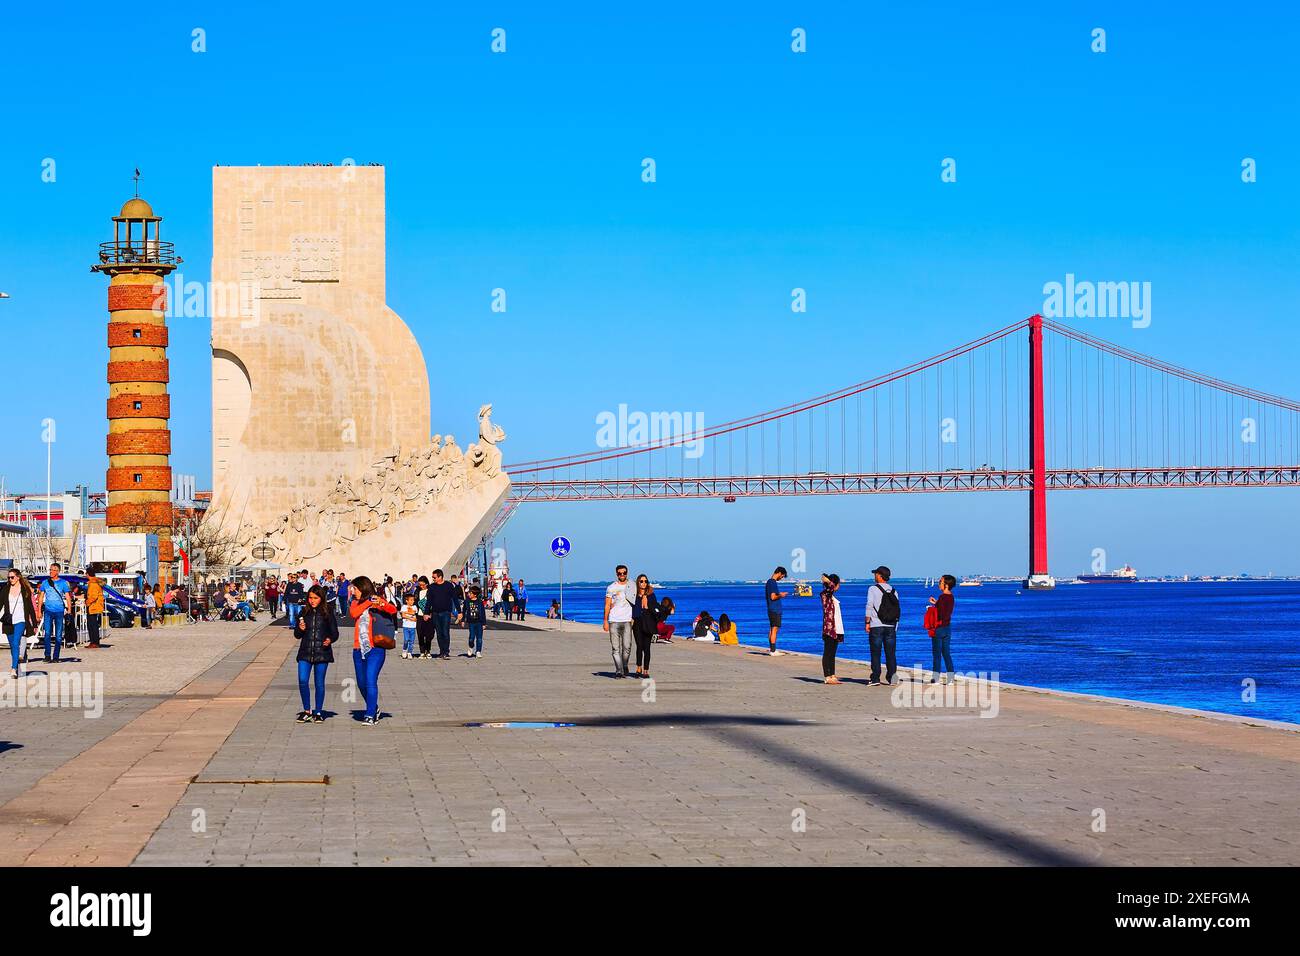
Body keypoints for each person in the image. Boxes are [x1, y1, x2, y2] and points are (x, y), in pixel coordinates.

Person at [349, 575, 396, 725]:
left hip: (376, 648)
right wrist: (367, 603)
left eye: (354, 588)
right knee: (361, 683)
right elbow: (354, 614)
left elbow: (393, 610)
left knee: (370, 680)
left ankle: (370, 714)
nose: (352, 590)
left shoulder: (377, 600)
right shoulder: (355, 602)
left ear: (362, 588)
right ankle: (374, 708)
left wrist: (381, 603)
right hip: (358, 649)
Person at [295, 584, 338, 722]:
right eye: (310, 598)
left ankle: (318, 711)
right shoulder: (303, 613)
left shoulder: (327, 612)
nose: (312, 600)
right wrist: (300, 629)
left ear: (321, 598)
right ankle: (307, 710)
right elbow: (297, 635)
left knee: (319, 683)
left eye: (315, 598)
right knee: (302, 680)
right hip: (305, 651)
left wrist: (329, 639)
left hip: (322, 652)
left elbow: (335, 633)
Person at [865, 565, 901, 686]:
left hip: (876, 625)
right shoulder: (894, 591)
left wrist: (867, 622)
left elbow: (869, 605)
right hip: (891, 626)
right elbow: (897, 609)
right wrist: (895, 626)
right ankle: (892, 678)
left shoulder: (873, 589)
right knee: (890, 653)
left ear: (880, 576)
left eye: (875, 574)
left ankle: (875, 678)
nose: (874, 575)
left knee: (876, 652)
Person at [2, 569, 38, 678]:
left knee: (16, 642)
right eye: (9, 578)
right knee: (13, 646)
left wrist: (35, 624)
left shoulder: (25, 590)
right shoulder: (5, 589)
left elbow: (31, 608)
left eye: (12, 577)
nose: (10, 579)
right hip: (8, 622)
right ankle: (17, 666)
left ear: (18, 577)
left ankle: (13, 669)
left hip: (21, 620)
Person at [602, 564, 635, 677]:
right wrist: (605, 621)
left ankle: (624, 665)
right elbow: (607, 605)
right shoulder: (611, 587)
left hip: (627, 621)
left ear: (627, 573)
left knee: (627, 647)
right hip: (614, 621)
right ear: (617, 574)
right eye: (620, 573)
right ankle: (618, 670)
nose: (622, 575)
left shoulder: (632, 586)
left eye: (624, 573)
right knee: (616, 648)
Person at [38, 563, 71, 662]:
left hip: (59, 611)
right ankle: (47, 655)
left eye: (53, 570)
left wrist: (69, 610)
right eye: (50, 569)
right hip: (48, 610)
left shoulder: (63, 583)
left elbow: (68, 597)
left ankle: (56, 656)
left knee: (58, 634)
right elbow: (41, 597)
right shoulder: (45, 583)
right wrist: (39, 611)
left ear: (58, 571)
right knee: (47, 634)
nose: (51, 571)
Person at [928, 574, 957, 684]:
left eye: (940, 582)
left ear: (946, 585)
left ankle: (935, 679)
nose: (938, 584)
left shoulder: (942, 597)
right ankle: (950, 678)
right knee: (946, 653)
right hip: (947, 628)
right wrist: (936, 603)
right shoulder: (951, 596)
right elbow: (945, 610)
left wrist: (931, 609)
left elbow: (940, 613)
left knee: (936, 654)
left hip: (939, 628)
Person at [630, 574, 659, 679]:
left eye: (645, 581)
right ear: (638, 582)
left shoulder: (651, 595)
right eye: (641, 581)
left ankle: (646, 670)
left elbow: (655, 609)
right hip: (637, 622)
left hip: (648, 623)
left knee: (647, 648)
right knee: (639, 646)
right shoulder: (634, 594)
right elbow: (631, 608)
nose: (643, 583)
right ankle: (638, 667)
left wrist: (647, 605)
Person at [820, 573, 845, 684]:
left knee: (833, 653)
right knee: (828, 652)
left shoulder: (833, 597)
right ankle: (827, 676)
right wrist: (829, 581)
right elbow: (829, 589)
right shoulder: (825, 595)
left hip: (837, 629)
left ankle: (832, 674)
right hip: (829, 629)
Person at [426, 569, 456, 659]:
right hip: (435, 613)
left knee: (445, 632)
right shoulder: (432, 587)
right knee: (439, 633)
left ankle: (446, 651)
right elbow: (429, 601)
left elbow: (454, 598)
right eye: (432, 577)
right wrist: (426, 612)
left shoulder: (448, 586)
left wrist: (460, 612)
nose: (433, 579)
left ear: (440, 577)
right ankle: (441, 651)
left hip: (446, 612)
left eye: (434, 577)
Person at [764, 565, 791, 656]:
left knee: (772, 629)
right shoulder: (772, 583)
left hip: (771, 609)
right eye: (782, 576)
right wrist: (781, 595)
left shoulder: (769, 582)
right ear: (779, 573)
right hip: (775, 609)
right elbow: (773, 597)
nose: (781, 578)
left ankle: (772, 649)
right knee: (774, 629)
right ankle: (773, 651)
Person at [457, 584, 488, 657]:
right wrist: (463, 621)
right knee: (471, 637)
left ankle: (478, 651)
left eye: (470, 593)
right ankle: (471, 647)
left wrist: (484, 623)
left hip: (479, 622)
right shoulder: (467, 602)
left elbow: (483, 613)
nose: (468, 594)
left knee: (479, 638)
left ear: (475, 595)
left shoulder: (480, 602)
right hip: (471, 622)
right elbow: (464, 611)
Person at [415, 575, 434, 658]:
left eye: (423, 585)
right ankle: (422, 651)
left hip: (429, 615)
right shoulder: (417, 591)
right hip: (419, 615)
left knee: (429, 634)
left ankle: (428, 650)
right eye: (420, 585)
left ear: (427, 584)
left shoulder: (430, 591)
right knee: (420, 634)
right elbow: (415, 602)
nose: (421, 586)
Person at [85, 572, 105, 649]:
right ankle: (94, 641)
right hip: (94, 606)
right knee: (92, 624)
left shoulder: (93, 584)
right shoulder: (94, 582)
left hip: (93, 606)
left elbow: (93, 596)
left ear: (88, 574)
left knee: (92, 625)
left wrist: (87, 602)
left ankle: (94, 642)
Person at [400, 592, 419, 659]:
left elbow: (415, 615)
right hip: (406, 626)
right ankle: (404, 650)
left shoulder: (415, 607)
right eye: (411, 600)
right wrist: (410, 617)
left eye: (413, 600)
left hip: (413, 627)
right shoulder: (404, 607)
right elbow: (403, 615)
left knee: (411, 641)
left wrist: (412, 617)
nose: (412, 601)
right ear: (406, 601)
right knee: (406, 639)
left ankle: (409, 652)